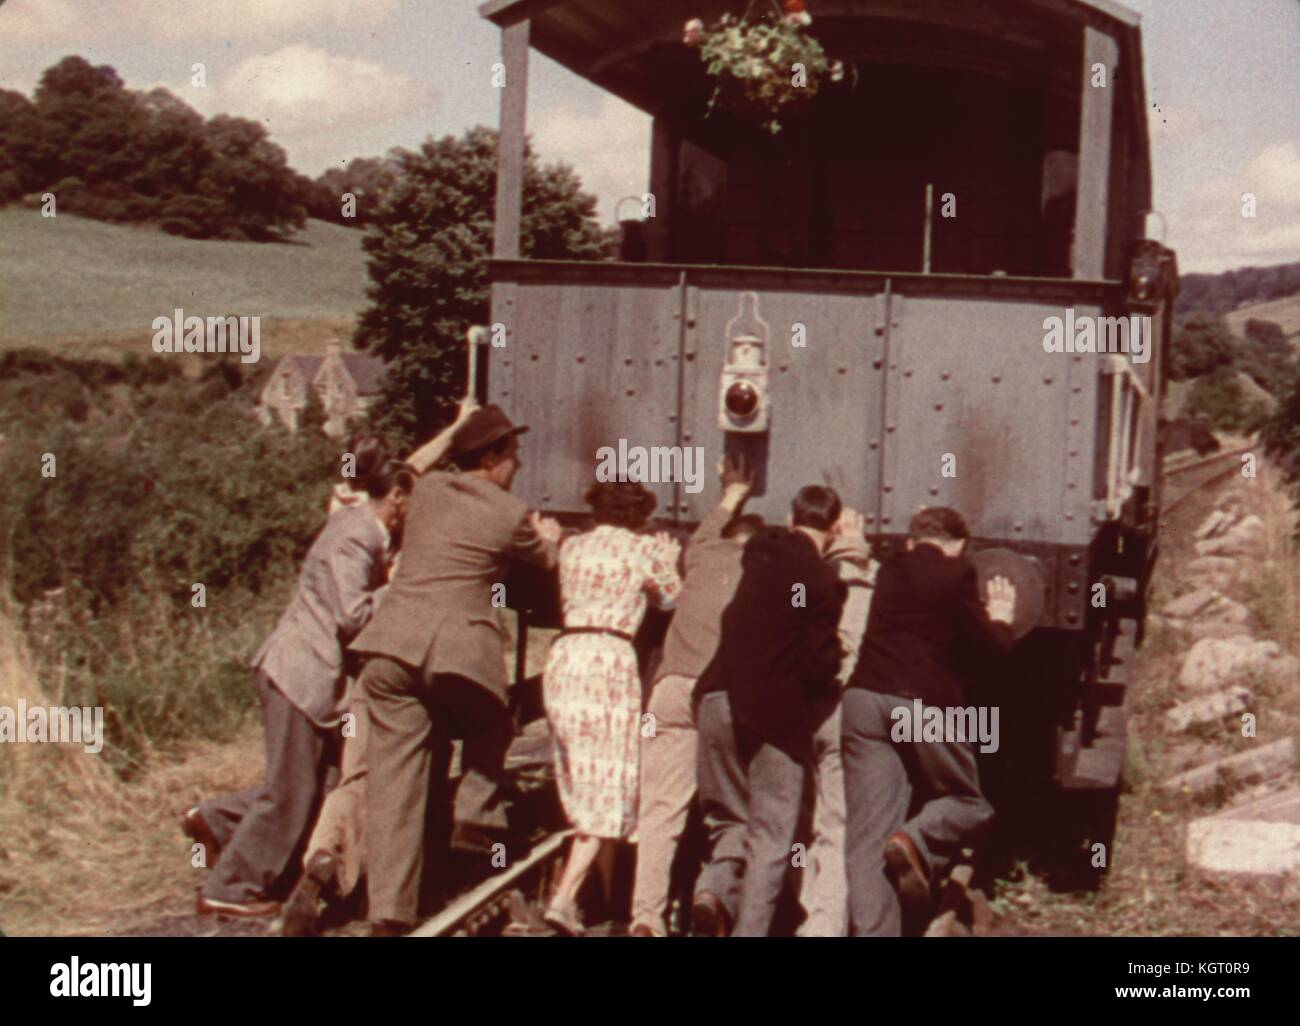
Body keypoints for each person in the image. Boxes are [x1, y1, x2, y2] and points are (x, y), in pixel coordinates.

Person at [351, 404, 562, 936]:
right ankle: (476, 816)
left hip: (390, 650)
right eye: (512, 455)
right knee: (494, 721)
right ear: (491, 458)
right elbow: (547, 561)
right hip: (455, 652)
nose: (517, 465)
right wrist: (552, 535)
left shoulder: (425, 492)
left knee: (394, 783)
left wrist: (450, 430)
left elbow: (410, 467)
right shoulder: (509, 513)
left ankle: (389, 914)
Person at [183, 459, 415, 916]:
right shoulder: (357, 538)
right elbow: (353, 616)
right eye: (414, 502)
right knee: (290, 792)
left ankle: (216, 820)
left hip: (298, 671)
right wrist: (399, 585)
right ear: (397, 499)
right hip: (301, 675)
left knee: (318, 783)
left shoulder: (353, 524)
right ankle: (231, 888)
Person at [281, 399, 479, 935]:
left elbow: (413, 466)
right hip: (392, 657)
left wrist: (457, 425)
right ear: (388, 491)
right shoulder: (372, 526)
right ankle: (396, 894)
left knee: (359, 771)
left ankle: (322, 861)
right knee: (399, 776)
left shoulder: (352, 505)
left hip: (368, 669)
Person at [841, 506, 1016, 937]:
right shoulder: (956, 574)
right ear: (957, 545)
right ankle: (915, 841)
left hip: (863, 702)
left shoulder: (890, 570)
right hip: (920, 706)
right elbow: (988, 649)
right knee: (969, 803)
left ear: (912, 541)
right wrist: (1001, 619)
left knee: (865, 837)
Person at [692, 485, 847, 937]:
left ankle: (714, 893)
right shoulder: (822, 581)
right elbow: (817, 667)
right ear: (835, 528)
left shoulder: (759, 551)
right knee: (772, 839)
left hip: (716, 698)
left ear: (789, 515)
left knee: (727, 817)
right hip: (773, 718)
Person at [540, 480, 683, 936]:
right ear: (639, 516)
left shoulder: (572, 546)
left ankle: (577, 893)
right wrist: (668, 560)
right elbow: (671, 598)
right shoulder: (641, 550)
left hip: (565, 657)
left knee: (579, 775)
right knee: (610, 780)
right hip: (609, 660)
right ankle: (564, 898)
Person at [627, 455, 759, 938]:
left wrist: (732, 490)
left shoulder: (702, 553)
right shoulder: (762, 576)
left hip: (668, 689)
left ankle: (645, 916)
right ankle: (713, 893)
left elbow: (713, 523)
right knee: (732, 809)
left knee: (660, 810)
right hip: (717, 696)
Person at [798, 506, 875, 937]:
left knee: (802, 816)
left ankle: (802, 906)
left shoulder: (808, 586)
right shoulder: (871, 587)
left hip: (804, 711)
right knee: (837, 822)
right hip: (845, 712)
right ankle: (824, 925)